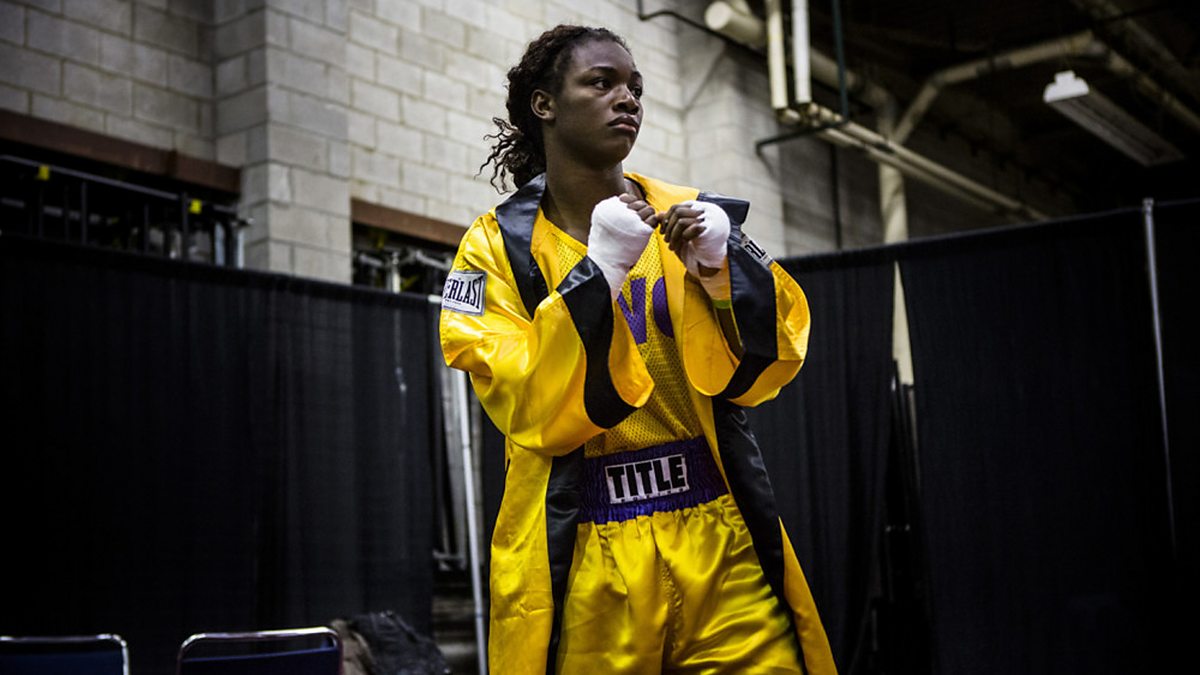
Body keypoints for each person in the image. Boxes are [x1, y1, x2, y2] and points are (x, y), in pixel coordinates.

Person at [439, 24, 836, 674]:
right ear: (545, 104)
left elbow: (773, 362)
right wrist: (600, 271)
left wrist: (724, 264)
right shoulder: (490, 251)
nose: (628, 99)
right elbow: (527, 400)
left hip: (717, 535)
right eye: (602, 82)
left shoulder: (690, 213)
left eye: (636, 88)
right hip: (587, 552)